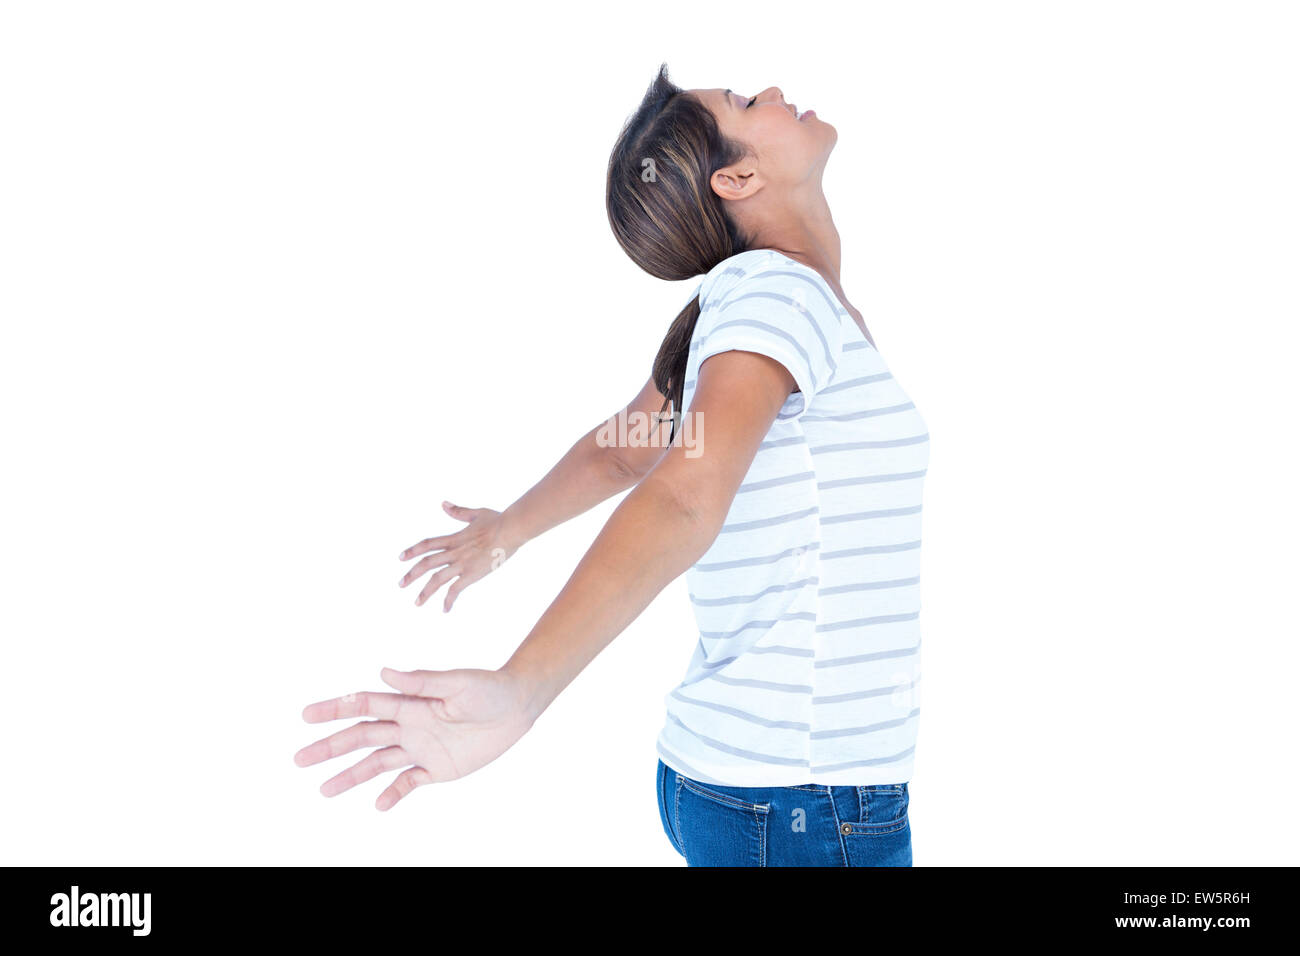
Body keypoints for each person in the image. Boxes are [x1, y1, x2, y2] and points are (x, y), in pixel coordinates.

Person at [294, 64, 929, 867]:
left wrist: (504, 534)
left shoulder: (764, 305)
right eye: (743, 102)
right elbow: (682, 498)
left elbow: (626, 448)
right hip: (802, 801)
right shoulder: (779, 297)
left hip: (754, 787)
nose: (768, 88)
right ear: (737, 177)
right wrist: (524, 687)